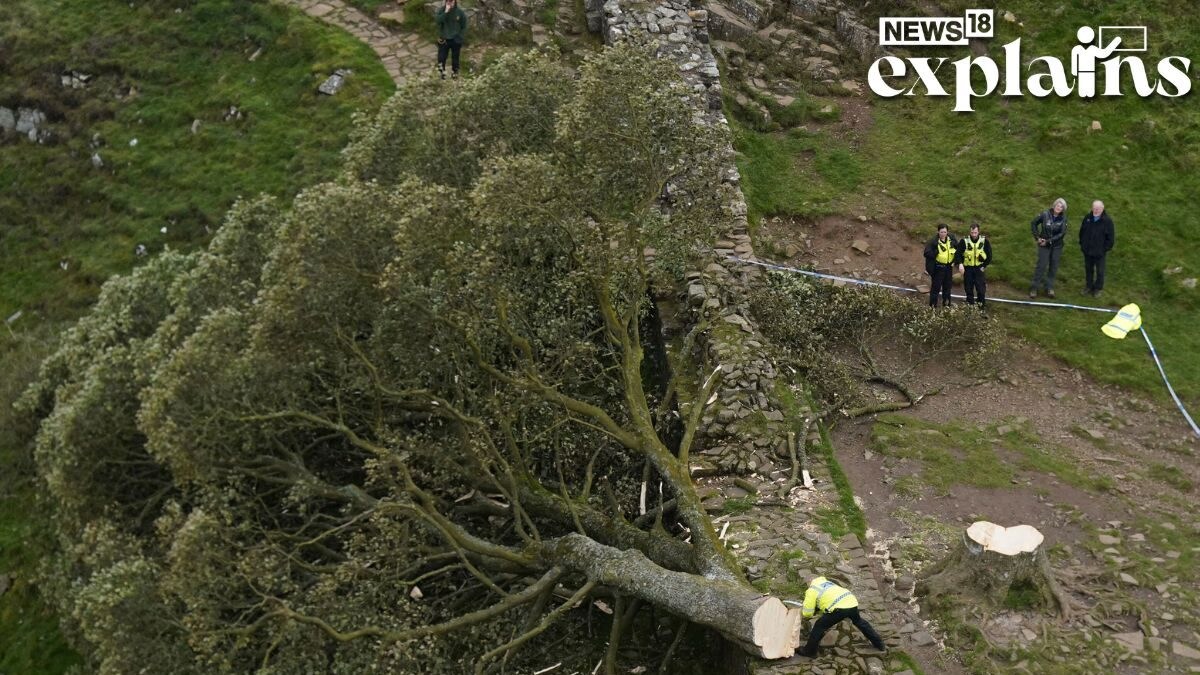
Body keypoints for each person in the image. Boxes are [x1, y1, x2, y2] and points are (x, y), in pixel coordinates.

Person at [798, 576, 886, 658]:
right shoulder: (828, 583)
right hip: (851, 602)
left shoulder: (812, 589)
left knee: (819, 626)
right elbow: (828, 598)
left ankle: (809, 651)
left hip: (839, 609)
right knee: (860, 622)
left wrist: (809, 611)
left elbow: (807, 613)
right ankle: (879, 643)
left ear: (809, 583)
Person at [1029, 197, 1068, 299]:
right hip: (1044, 245)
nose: (1059, 208)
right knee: (1041, 265)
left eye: (1061, 207)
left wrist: (1049, 241)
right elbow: (1033, 223)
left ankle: (1049, 288)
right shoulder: (1045, 214)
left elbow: (1062, 233)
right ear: (1054, 205)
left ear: (1063, 209)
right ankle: (1034, 288)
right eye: (1058, 205)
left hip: (1057, 246)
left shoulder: (1063, 219)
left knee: (1053, 266)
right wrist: (1037, 237)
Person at [1079, 200, 1115, 297]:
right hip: (1087, 251)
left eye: (1098, 208)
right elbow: (1082, 232)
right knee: (1088, 269)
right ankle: (1088, 286)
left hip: (1100, 253)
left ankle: (1098, 288)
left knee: (1100, 271)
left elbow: (1110, 238)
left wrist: (1104, 249)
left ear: (1102, 209)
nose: (1096, 210)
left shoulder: (1107, 221)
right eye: (1094, 208)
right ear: (1092, 208)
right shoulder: (1087, 218)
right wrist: (1082, 244)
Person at [956, 222, 992, 309]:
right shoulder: (964, 241)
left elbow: (989, 255)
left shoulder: (984, 241)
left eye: (975, 232)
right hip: (968, 269)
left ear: (978, 232)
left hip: (979, 269)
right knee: (968, 289)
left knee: (981, 290)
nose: (973, 234)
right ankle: (970, 308)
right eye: (972, 232)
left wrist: (984, 266)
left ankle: (981, 309)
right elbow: (958, 254)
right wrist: (960, 264)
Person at [923, 224, 957, 307]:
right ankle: (932, 307)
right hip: (938, 268)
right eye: (941, 232)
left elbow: (958, 250)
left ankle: (946, 306)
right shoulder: (933, 241)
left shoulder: (951, 239)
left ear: (947, 232)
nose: (943, 234)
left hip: (949, 268)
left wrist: (955, 261)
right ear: (938, 232)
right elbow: (926, 253)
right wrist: (935, 252)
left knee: (947, 288)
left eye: (945, 232)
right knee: (935, 289)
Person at [435, 0, 468, 80]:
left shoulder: (459, 12)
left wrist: (460, 37)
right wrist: (446, 12)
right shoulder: (442, 10)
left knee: (455, 59)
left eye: (451, 1)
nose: (450, 3)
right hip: (444, 39)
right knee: (441, 59)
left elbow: (464, 25)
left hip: (455, 40)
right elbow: (438, 21)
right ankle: (442, 75)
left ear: (455, 1)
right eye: (448, 1)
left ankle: (455, 75)